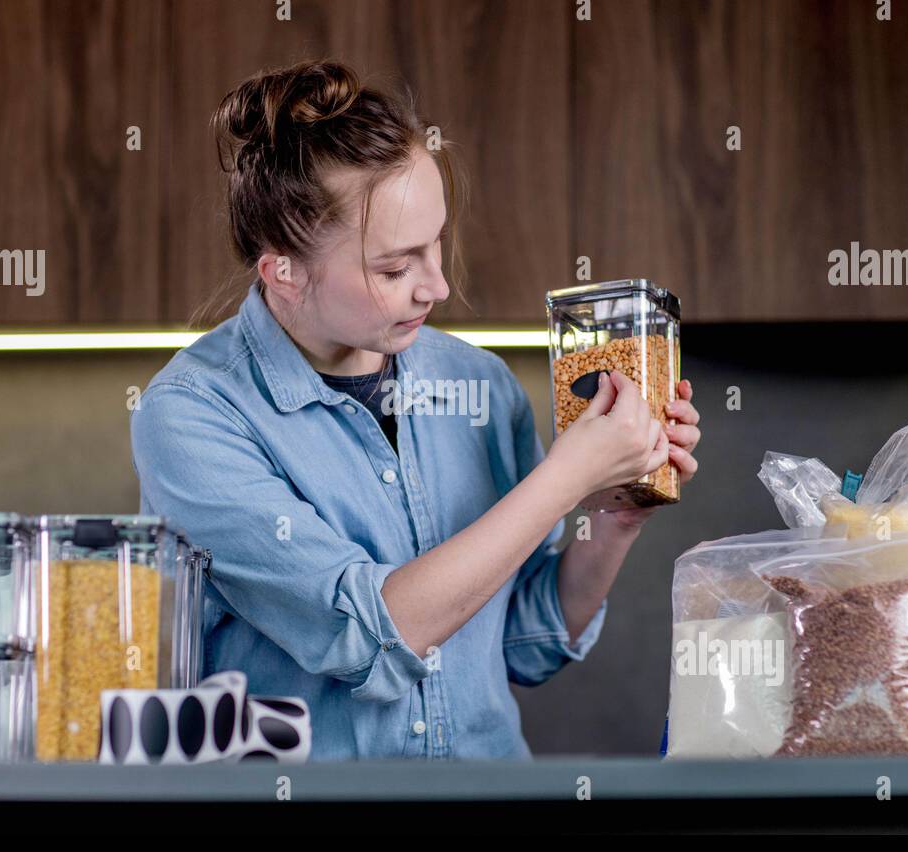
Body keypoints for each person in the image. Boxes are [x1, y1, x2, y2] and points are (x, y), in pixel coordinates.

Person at [130, 59, 702, 759]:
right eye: (394, 268)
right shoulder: (194, 416)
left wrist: (612, 516)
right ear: (283, 271)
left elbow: (525, 640)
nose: (435, 285)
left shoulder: (479, 385)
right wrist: (564, 479)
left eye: (437, 244)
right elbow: (367, 637)